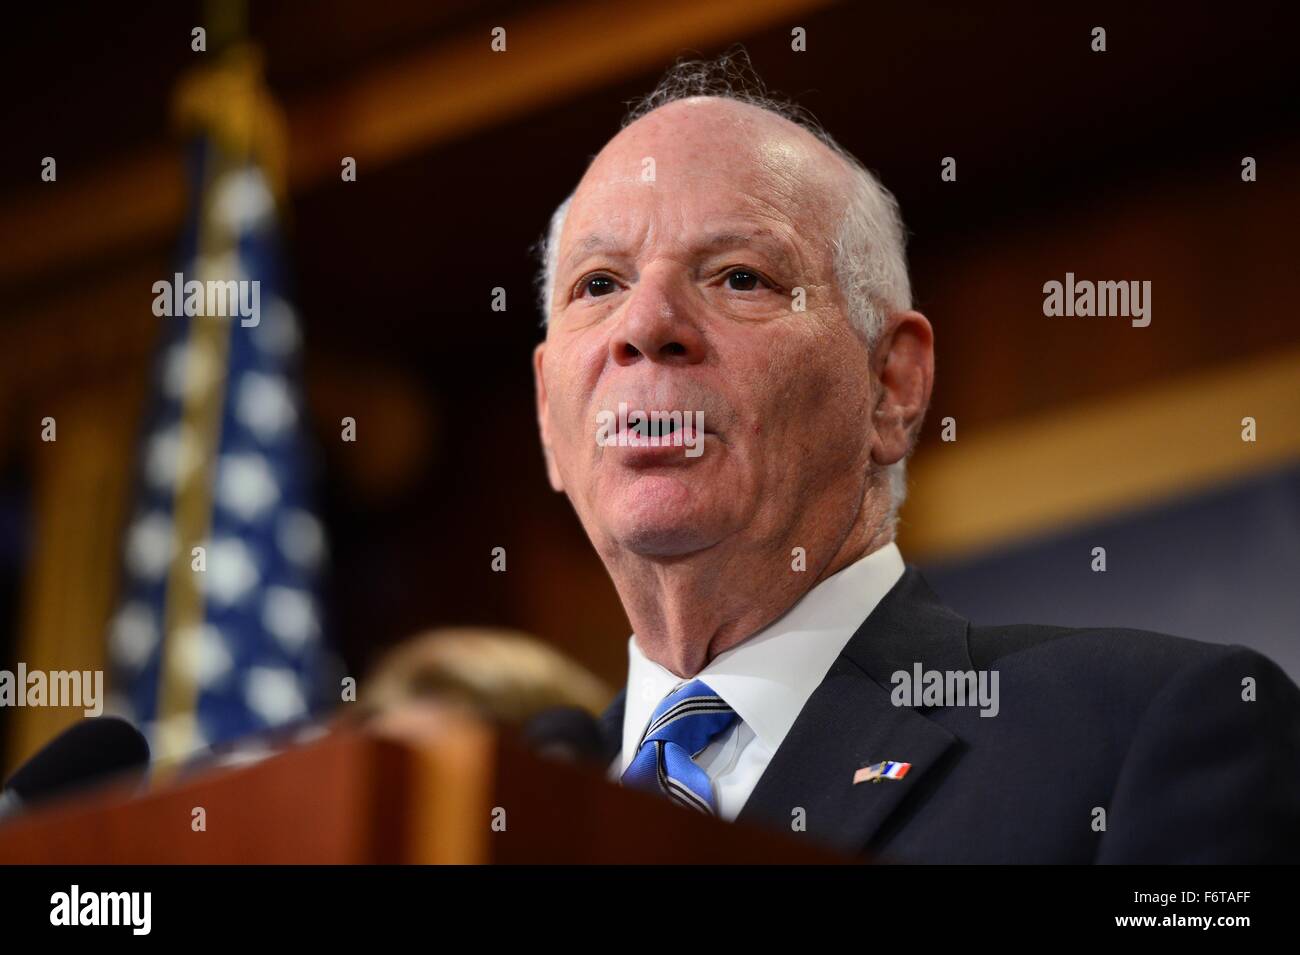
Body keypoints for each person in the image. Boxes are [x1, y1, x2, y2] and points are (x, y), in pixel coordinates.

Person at [529, 51, 1300, 862]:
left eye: (740, 276)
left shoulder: (1150, 733)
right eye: (599, 284)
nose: (644, 324)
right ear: (549, 412)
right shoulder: (498, 812)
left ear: (891, 385)